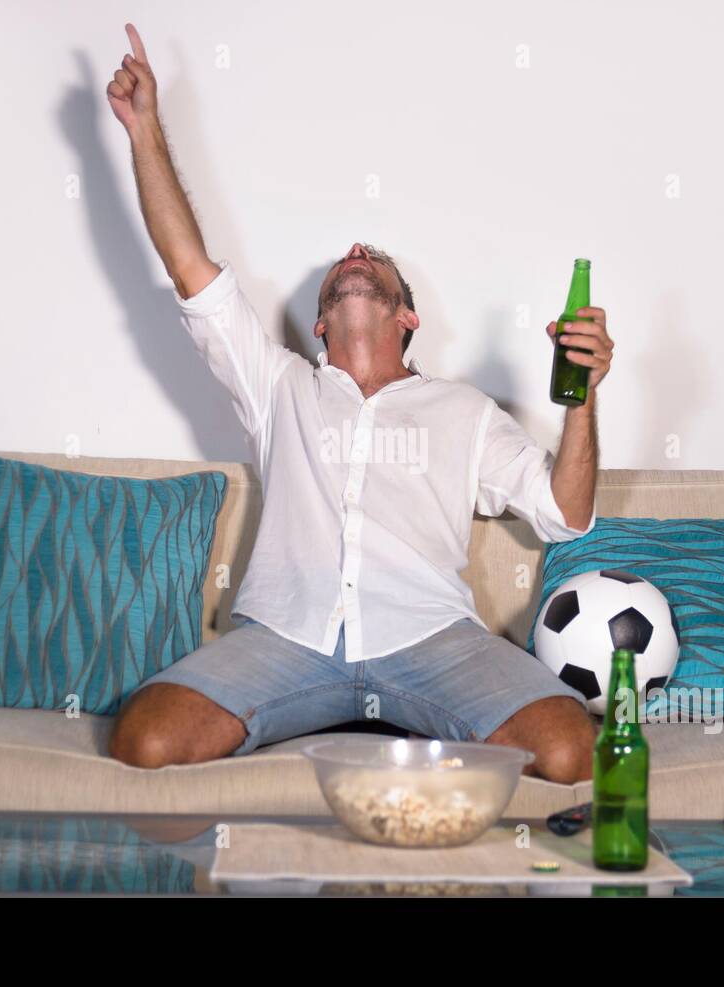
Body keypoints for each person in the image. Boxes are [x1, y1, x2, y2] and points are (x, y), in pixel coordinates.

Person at [104, 24, 614, 783]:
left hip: (431, 641)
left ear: (408, 317)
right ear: (318, 323)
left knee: (571, 750)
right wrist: (145, 129)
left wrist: (584, 397)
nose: (354, 253)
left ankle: (386, 711)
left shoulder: (463, 410)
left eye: (373, 262)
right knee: (145, 738)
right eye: (343, 264)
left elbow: (566, 514)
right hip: (287, 639)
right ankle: (316, 706)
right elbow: (188, 265)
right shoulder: (277, 383)